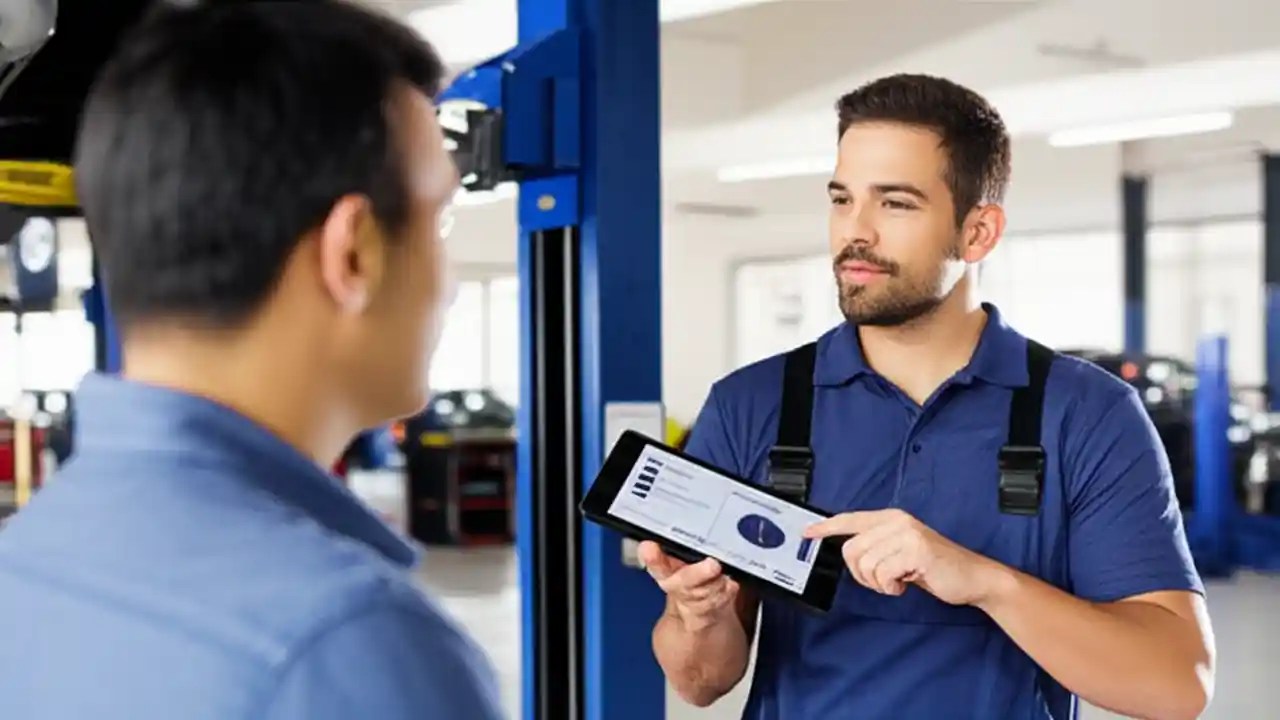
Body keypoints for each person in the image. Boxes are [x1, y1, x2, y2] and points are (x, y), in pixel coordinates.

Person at [639, 73, 1216, 720]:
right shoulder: (753, 404)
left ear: (979, 233)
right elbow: (701, 682)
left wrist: (983, 581)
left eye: (895, 204)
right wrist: (700, 618)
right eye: (841, 198)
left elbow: (1176, 686)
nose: (854, 232)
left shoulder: (1085, 414)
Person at [0, 2, 503, 719]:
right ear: (353, 251)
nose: (447, 280)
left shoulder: (29, 557)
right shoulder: (351, 645)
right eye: (435, 219)